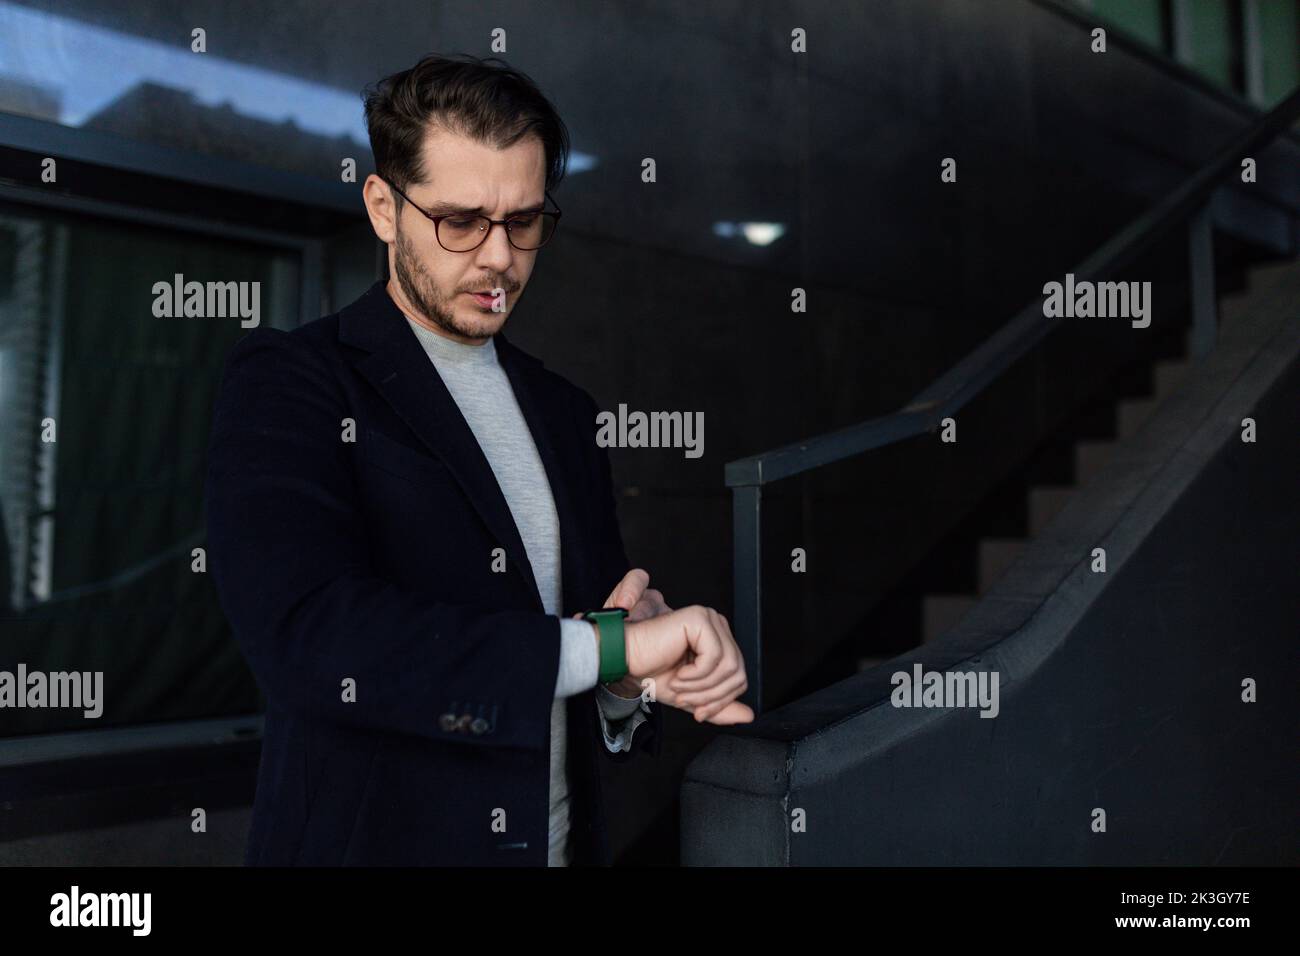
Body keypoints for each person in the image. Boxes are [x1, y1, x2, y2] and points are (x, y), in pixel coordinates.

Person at [204, 53, 752, 867]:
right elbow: (310, 640)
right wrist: (605, 650)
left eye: (523, 221)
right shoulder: (294, 381)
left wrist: (628, 682)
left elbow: (581, 652)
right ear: (384, 207)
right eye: (461, 221)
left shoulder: (565, 412)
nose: (499, 257)